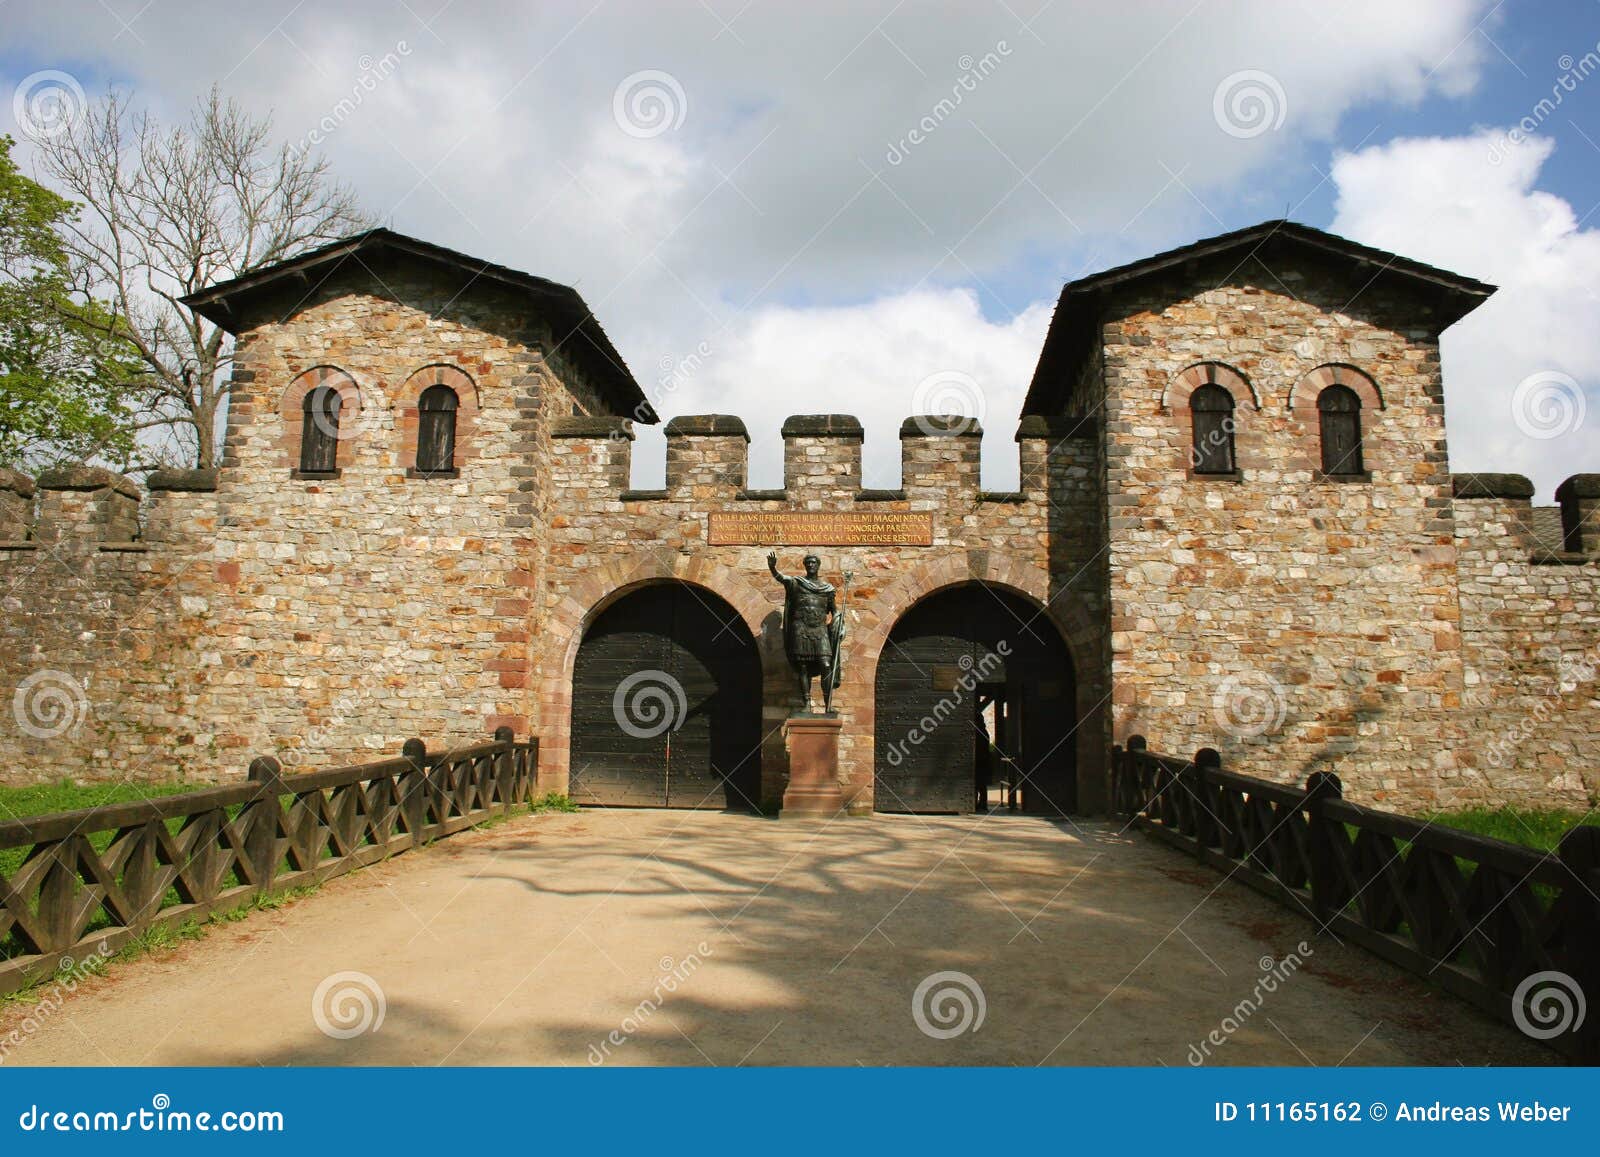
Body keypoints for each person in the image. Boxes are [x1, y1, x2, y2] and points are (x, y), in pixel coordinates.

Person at [768, 551, 838, 712]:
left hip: (819, 629)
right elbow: (781, 578)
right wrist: (773, 568)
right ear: (805, 566)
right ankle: (806, 703)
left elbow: (834, 611)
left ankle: (828, 704)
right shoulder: (797, 583)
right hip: (801, 628)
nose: (811, 565)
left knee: (826, 664)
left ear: (818, 565)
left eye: (814, 562)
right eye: (808, 563)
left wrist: (838, 622)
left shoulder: (828, 589)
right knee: (803, 667)